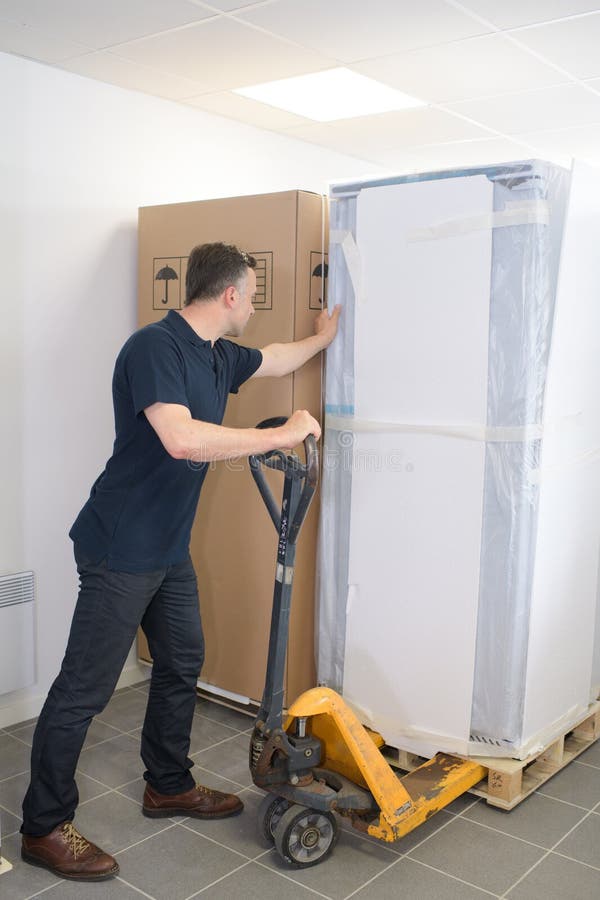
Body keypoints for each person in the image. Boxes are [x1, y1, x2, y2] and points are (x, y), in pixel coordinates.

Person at [20, 241, 340, 881]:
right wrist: (281, 434)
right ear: (228, 296)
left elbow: (275, 359)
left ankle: (167, 784)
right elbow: (181, 436)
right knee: (86, 688)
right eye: (252, 294)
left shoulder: (219, 354)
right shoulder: (153, 348)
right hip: (121, 544)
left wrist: (323, 337)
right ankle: (43, 826)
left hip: (166, 547)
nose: (253, 304)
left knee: (183, 659)